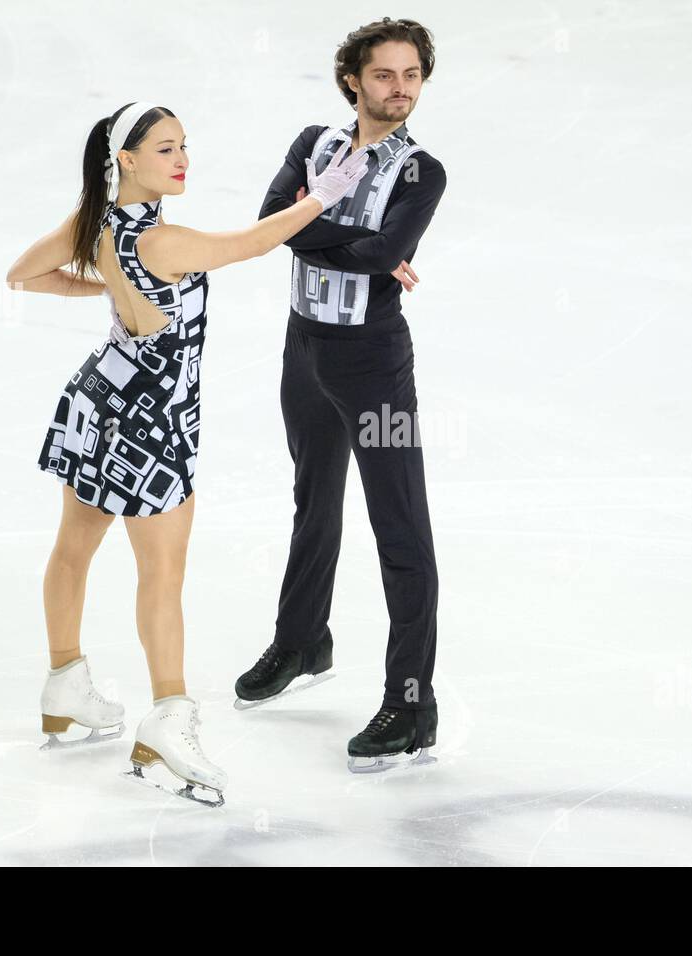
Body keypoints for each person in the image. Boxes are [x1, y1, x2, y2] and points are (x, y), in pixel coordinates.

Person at [7, 101, 369, 803]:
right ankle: (168, 725)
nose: (182, 160)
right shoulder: (163, 242)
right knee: (162, 575)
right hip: (149, 420)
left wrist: (106, 286)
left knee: (74, 549)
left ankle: (65, 686)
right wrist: (325, 196)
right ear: (129, 160)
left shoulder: (96, 222)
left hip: (99, 395)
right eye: (166, 148)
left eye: (185, 146)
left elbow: (23, 272)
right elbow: (255, 243)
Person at [232, 19, 449, 773]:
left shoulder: (422, 173)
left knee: (400, 528)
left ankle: (411, 703)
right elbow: (267, 222)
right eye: (384, 75)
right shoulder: (313, 143)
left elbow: (383, 252)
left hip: (373, 367)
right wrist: (335, 237)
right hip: (304, 352)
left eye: (412, 75)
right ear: (352, 79)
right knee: (312, 495)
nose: (399, 90)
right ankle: (302, 641)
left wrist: (310, 221)